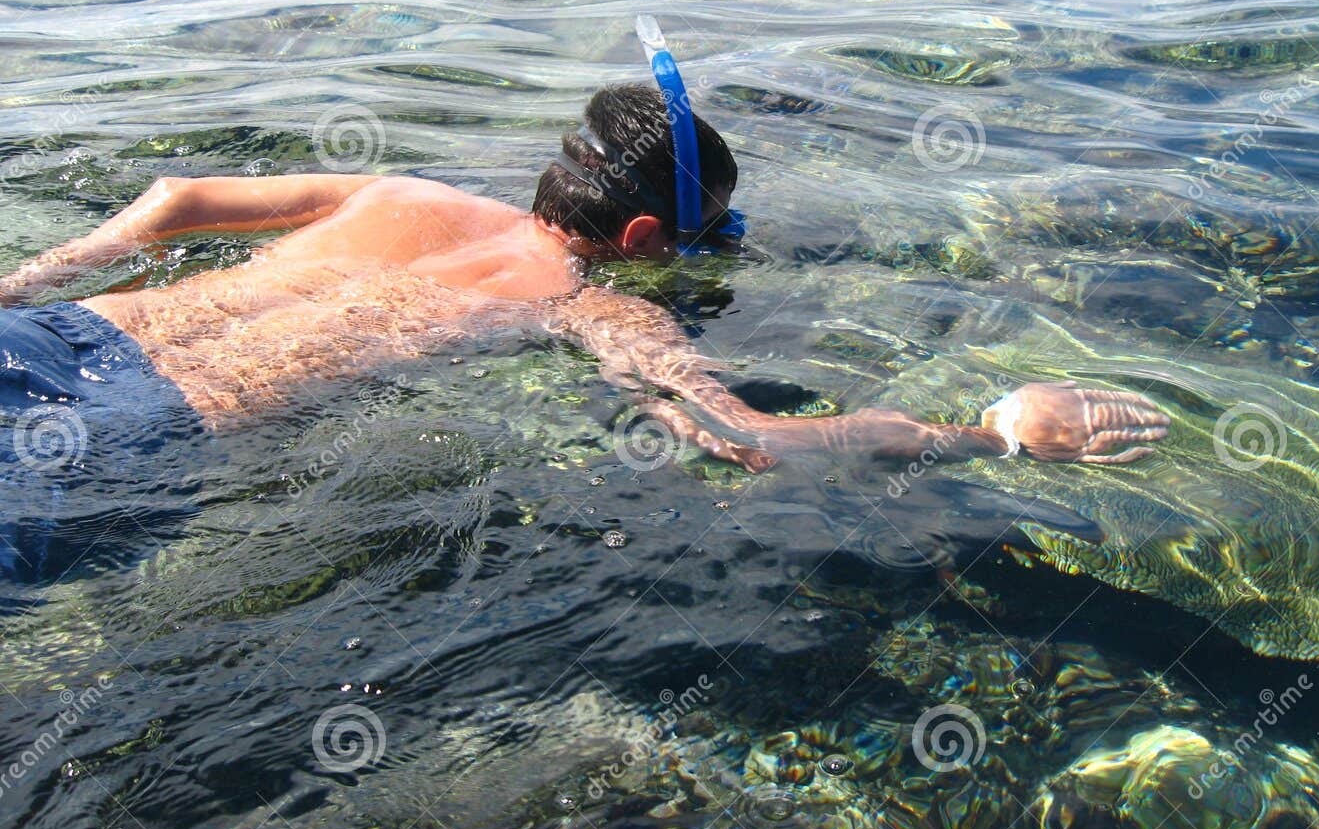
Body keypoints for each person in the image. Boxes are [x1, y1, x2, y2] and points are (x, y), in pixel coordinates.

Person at [0, 33, 1169, 522]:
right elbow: (743, 437)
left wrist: (41, 278)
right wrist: (995, 433)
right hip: (137, 437)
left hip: (59, 333)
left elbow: (176, 202)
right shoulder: (587, 304)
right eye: (712, 233)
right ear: (648, 235)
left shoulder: (398, 190)